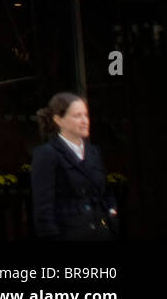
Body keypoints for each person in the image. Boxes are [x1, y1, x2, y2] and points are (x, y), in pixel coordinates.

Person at [30, 92, 118, 241]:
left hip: (100, 234)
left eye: (86, 115)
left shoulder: (94, 152)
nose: (84, 121)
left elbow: (105, 192)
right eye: (77, 116)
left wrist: (112, 215)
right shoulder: (47, 154)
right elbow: (43, 207)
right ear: (59, 120)